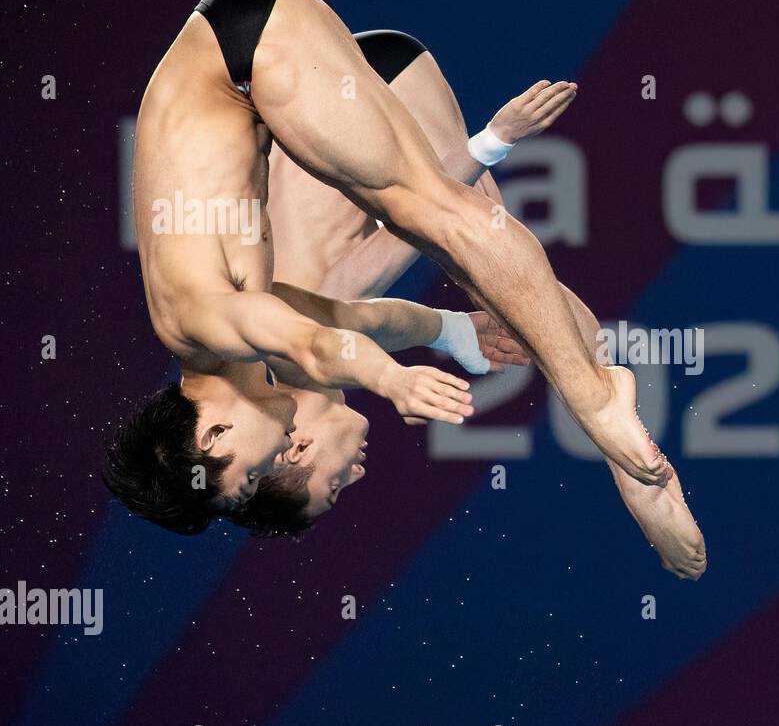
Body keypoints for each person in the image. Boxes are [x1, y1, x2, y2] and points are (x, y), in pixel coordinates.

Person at [246, 29, 706, 578]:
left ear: (298, 449)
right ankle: (614, 427)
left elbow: (414, 218)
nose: (356, 478)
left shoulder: (301, 341)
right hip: (332, 88)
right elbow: (377, 321)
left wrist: (495, 139)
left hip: (365, 81)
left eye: (334, 485)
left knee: (486, 270)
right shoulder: (297, 353)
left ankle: (625, 457)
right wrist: (453, 331)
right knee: (522, 295)